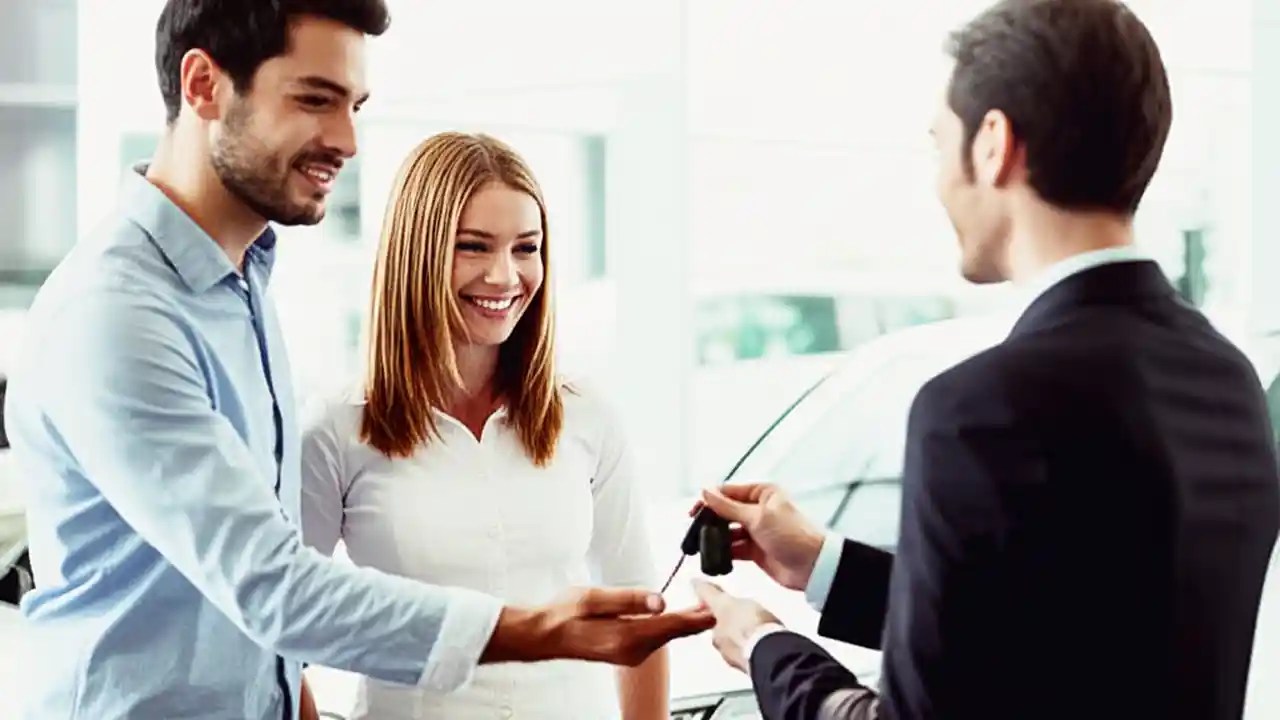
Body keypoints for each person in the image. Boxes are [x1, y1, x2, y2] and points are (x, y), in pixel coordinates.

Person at [1, 2, 711, 719]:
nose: (346, 140)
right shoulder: (118, 314)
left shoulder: (239, 292)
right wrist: (534, 629)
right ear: (203, 85)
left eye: (354, 106)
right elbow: (275, 589)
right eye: (314, 99)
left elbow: (268, 636)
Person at [689, 1, 1280, 719]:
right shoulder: (1230, 382)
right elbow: (1060, 637)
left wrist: (763, 646)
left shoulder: (981, 407)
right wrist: (822, 562)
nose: (938, 180)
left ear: (994, 144)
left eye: (940, 143)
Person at [299, 131, 668, 719]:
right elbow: (276, 630)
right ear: (416, 254)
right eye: (474, 247)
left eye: (526, 248)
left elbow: (639, 616)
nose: (505, 276)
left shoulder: (587, 414)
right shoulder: (338, 428)